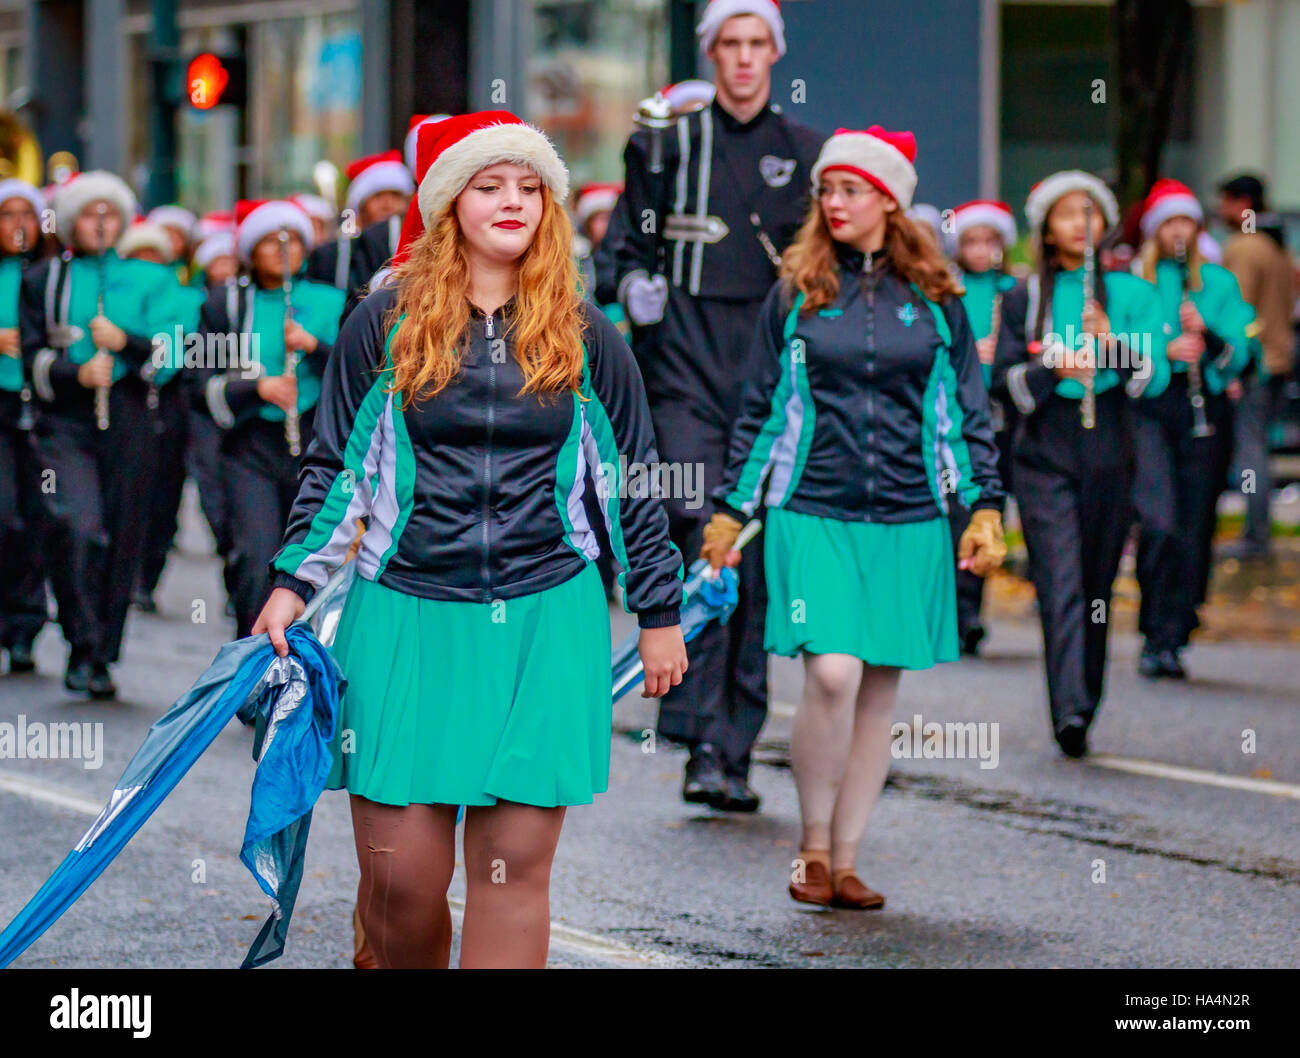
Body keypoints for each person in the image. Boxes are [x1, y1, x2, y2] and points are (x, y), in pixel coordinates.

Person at [252, 111, 687, 968]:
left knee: (511, 872)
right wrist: (292, 582)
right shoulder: (383, 324)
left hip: (545, 621)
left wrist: (659, 608)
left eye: (531, 187)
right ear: (450, 204)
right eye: (490, 184)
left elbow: (630, 480)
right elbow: (337, 469)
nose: (513, 200)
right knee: (401, 884)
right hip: (406, 620)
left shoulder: (589, 335)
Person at [702, 126, 1005, 909]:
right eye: (826, 191)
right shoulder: (797, 292)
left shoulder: (939, 302)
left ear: (890, 201)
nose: (834, 203)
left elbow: (966, 411)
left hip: (909, 516)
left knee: (877, 691)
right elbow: (762, 409)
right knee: (831, 674)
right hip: (813, 509)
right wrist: (734, 510)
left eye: (851, 190)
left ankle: (846, 858)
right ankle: (808, 845)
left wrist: (984, 510)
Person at [595, 0, 823, 812]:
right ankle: (698, 736)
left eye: (758, 44)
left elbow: (827, 266)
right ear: (711, 52)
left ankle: (733, 746)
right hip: (683, 375)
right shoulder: (665, 146)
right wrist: (632, 286)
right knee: (699, 526)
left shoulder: (806, 154)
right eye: (730, 43)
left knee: (752, 556)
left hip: (766, 383)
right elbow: (619, 246)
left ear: (775, 54)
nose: (744, 59)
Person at [991, 171, 1170, 758]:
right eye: (1066, 213)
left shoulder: (1132, 293)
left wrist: (1112, 341)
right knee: (1059, 580)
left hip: (1111, 448)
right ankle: (1066, 706)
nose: (1078, 224)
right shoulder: (1022, 295)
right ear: (1045, 227)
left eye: (1087, 213)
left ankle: (1086, 696)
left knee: (1097, 581)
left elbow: (1154, 378)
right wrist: (1055, 371)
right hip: (1045, 451)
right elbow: (1007, 384)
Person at [19, 170, 177, 697]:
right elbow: (33, 357)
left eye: (110, 213)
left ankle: (103, 652)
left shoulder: (150, 279)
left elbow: (174, 354)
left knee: (123, 534)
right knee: (76, 525)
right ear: (69, 222)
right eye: (90, 213)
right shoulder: (43, 280)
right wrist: (76, 373)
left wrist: (127, 345)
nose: (101, 223)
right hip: (65, 420)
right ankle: (81, 641)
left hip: (129, 418)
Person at [189, 199, 345, 639]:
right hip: (252, 447)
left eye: (293, 241)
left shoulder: (332, 301)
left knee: (310, 564)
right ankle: (253, 661)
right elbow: (197, 381)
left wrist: (314, 347)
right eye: (271, 243)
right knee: (257, 556)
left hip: (316, 447)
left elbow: (360, 376)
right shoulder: (227, 305)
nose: (283, 250)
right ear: (251, 250)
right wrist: (256, 387)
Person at [1131, 180, 1255, 679]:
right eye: (1170, 223)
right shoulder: (1135, 284)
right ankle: (1151, 630)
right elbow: (1119, 345)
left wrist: (1208, 335)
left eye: (1188, 222)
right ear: (1155, 231)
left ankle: (1177, 631)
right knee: (1158, 522)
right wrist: (1162, 352)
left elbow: (1245, 353)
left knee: (1194, 524)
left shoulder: (1219, 283)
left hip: (1204, 413)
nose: (1179, 232)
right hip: (1150, 410)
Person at [1215, 173, 1296, 561]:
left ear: (1242, 203)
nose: (1219, 210)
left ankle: (1255, 535)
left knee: (1250, 450)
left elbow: (1237, 310)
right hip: (1278, 359)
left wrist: (1232, 367)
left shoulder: (1246, 248)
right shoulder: (1278, 248)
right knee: (1257, 445)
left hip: (1255, 365)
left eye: (1225, 201)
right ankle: (1256, 532)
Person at [950, 199, 1019, 654]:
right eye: (971, 241)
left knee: (995, 510)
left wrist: (1003, 354)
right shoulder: (948, 290)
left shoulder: (1016, 291)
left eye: (988, 241)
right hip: (959, 417)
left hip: (1008, 414)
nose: (980, 250)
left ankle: (980, 599)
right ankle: (963, 611)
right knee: (961, 510)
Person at [0, 178, 50, 674]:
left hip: (39, 404)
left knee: (34, 516)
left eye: (26, 215)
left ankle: (25, 623)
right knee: (4, 513)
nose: (17, 226)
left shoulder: (49, 274)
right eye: (6, 215)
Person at [307, 150, 414, 298]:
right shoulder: (332, 257)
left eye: (395, 195)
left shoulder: (420, 249)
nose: (388, 205)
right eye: (377, 196)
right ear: (360, 206)